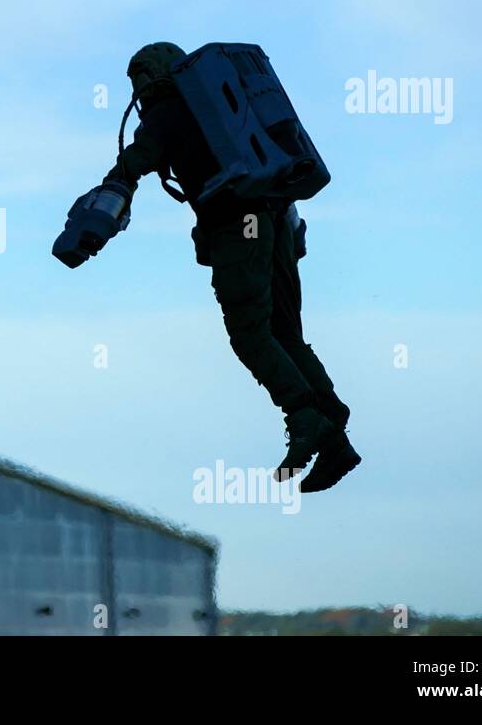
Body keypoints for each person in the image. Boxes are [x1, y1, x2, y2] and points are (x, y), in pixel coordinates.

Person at [104, 42, 360, 492]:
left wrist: (110, 190)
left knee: (249, 334)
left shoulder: (166, 112)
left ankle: (305, 419)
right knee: (284, 334)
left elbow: (137, 162)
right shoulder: (223, 103)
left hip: (238, 225)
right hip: (279, 219)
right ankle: (335, 437)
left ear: (149, 76)